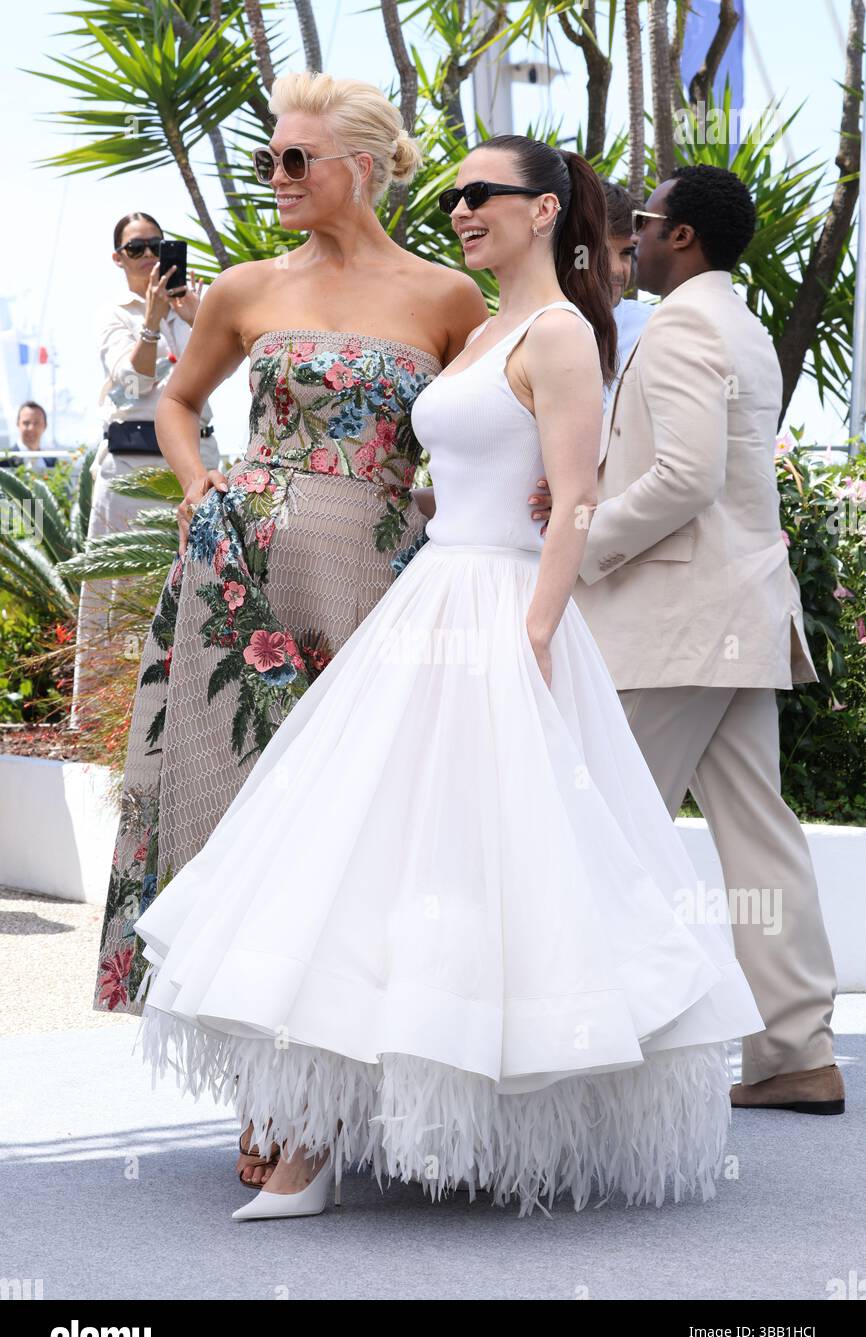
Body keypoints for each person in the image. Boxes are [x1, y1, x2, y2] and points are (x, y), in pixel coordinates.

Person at [131, 134, 764, 1221]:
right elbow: (466, 480)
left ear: (545, 209)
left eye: (481, 194)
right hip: (427, 601)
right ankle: (315, 1131)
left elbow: (569, 500)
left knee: (489, 865)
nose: (460, 209)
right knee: (359, 848)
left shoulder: (559, 332)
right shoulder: (484, 335)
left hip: (502, 618)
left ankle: (402, 1128)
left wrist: (533, 630)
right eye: (452, 195)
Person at [92, 72, 488, 1190]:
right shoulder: (243, 288)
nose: (274, 177)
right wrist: (201, 484)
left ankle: (341, 1087)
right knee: (239, 820)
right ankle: (266, 1094)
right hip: (241, 579)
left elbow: (479, 428)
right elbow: (174, 401)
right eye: (269, 157)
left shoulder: (446, 297)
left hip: (378, 586)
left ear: (360, 165)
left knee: (356, 828)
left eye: (294, 160)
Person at [531, 165, 842, 1116]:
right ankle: (796, 1049)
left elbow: (683, 478)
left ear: (685, 238)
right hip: (738, 618)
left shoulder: (683, 326)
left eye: (646, 221)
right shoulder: (738, 325)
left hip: (675, 625)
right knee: (761, 843)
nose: (631, 233)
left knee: (602, 826)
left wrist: (577, 543)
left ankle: (584, 1050)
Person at [70, 212, 218, 726]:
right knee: (121, 589)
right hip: (131, 465)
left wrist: (199, 318)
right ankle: (102, 719)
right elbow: (131, 389)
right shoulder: (114, 312)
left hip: (195, 459)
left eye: (157, 245)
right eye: (136, 249)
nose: (150, 255)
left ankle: (190, 716)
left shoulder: (195, 305)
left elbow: (227, 371)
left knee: (195, 580)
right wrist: (152, 322)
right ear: (118, 258)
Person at [599, 180, 655, 409]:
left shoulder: (655, 329)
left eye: (626, 253)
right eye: (600, 252)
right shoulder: (516, 333)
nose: (616, 268)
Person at [2, 401, 55, 472]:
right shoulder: (3, 459)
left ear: (45, 426)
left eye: (36, 423)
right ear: (18, 424)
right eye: (26, 423)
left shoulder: (52, 462)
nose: (31, 428)